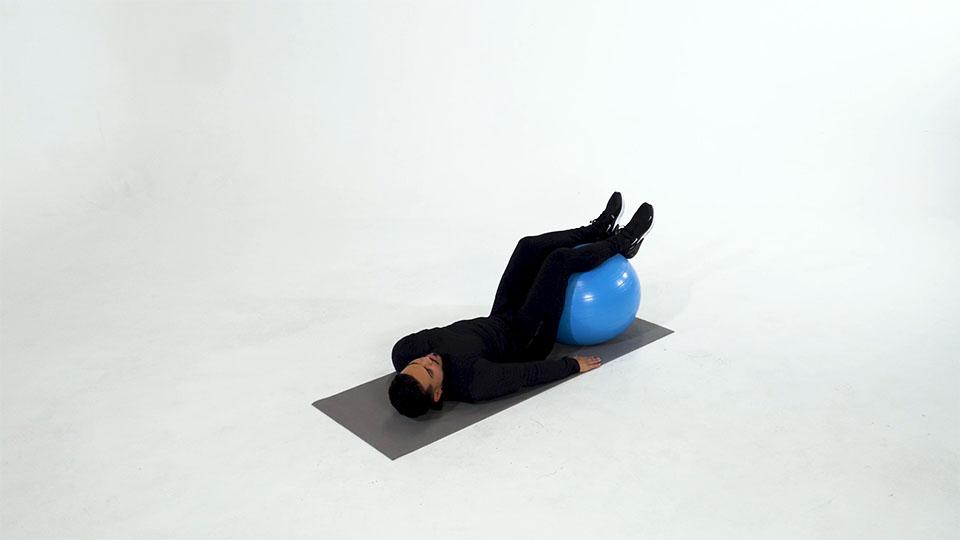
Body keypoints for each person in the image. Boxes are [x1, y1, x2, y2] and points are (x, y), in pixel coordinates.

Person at [389, 192, 654, 418]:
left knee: (527, 246)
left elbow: (416, 364)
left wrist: (418, 368)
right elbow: (527, 373)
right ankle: (624, 241)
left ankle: (597, 231)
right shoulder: (473, 382)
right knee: (558, 262)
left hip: (499, 317)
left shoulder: (403, 352)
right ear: (438, 394)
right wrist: (572, 366)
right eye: (429, 371)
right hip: (527, 338)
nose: (427, 359)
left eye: (416, 363)